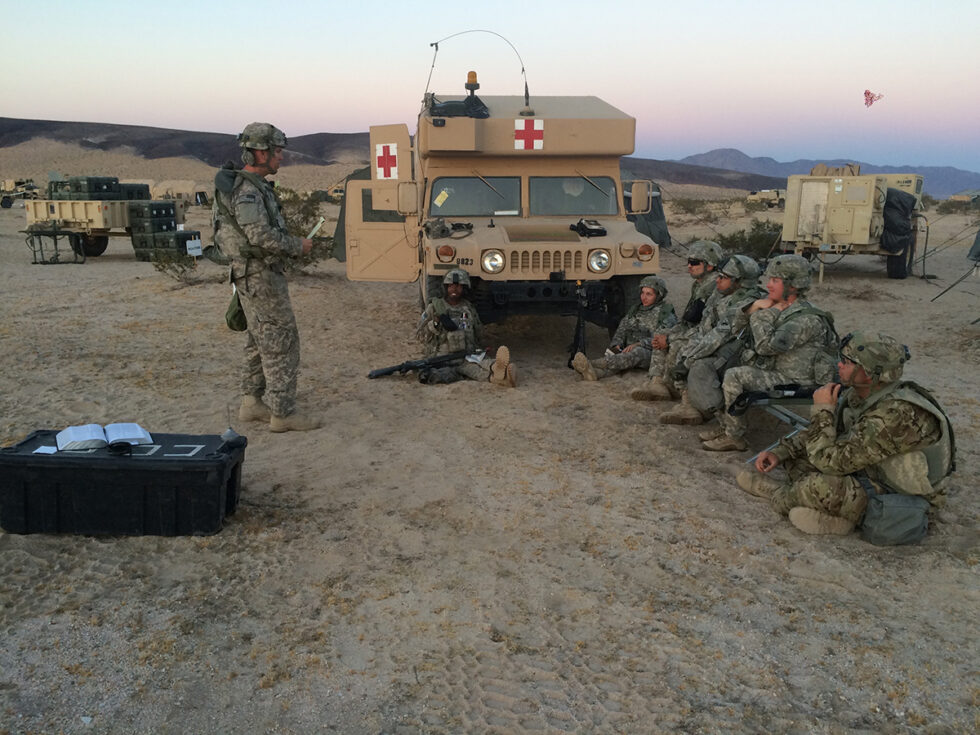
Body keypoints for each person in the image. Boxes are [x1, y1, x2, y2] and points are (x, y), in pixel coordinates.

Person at [735, 331, 955, 535]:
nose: (839, 365)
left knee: (819, 485)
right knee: (800, 458)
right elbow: (830, 434)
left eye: (847, 363)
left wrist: (823, 410)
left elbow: (828, 463)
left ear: (869, 373)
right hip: (871, 471)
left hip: (901, 496)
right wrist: (781, 452)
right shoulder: (860, 394)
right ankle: (836, 517)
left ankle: (778, 494)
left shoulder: (897, 415)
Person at [212, 122, 320, 433]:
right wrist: (297, 245)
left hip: (250, 275)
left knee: (258, 338)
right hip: (260, 276)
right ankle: (283, 413)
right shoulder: (247, 191)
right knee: (282, 341)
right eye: (277, 151)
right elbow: (259, 235)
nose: (281, 157)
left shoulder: (248, 187)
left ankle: (251, 403)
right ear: (259, 153)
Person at [703, 254, 838, 452]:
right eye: (769, 280)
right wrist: (753, 308)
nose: (769, 285)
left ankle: (734, 436)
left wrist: (763, 313)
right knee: (726, 364)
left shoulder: (805, 319)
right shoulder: (783, 307)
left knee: (734, 376)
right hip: (779, 371)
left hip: (798, 380)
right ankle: (727, 426)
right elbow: (735, 328)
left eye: (775, 280)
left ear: (792, 286)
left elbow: (765, 346)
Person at [660, 254, 763, 425]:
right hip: (721, 347)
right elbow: (705, 327)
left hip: (736, 356)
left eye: (724, 277)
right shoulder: (723, 296)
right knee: (683, 349)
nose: (718, 280)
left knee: (693, 361)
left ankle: (719, 420)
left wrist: (688, 358)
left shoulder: (745, 303)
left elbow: (719, 336)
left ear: (740, 281)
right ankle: (689, 405)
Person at [631, 240, 724, 401]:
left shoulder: (713, 286)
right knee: (661, 334)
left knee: (674, 344)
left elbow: (703, 324)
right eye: (688, 262)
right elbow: (689, 317)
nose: (689, 266)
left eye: (694, 262)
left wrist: (670, 338)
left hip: (705, 333)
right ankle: (657, 381)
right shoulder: (699, 284)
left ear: (709, 265)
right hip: (693, 327)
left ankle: (675, 389)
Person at [416, 269, 516, 387]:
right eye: (451, 286)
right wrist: (435, 324)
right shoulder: (434, 308)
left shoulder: (468, 308)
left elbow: (478, 332)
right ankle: (500, 375)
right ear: (445, 287)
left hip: (465, 357)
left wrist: (478, 349)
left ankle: (498, 370)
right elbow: (420, 336)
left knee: (480, 365)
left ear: (464, 289)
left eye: (458, 286)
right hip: (442, 359)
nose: (454, 289)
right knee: (459, 372)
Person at [571, 276, 676, 381]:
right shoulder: (636, 309)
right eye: (642, 293)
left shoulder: (665, 314)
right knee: (619, 355)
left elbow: (661, 340)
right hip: (628, 350)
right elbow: (622, 329)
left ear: (659, 295)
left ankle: (594, 363)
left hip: (651, 354)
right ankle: (596, 373)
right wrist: (617, 345)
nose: (644, 297)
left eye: (649, 294)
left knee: (636, 352)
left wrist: (639, 343)